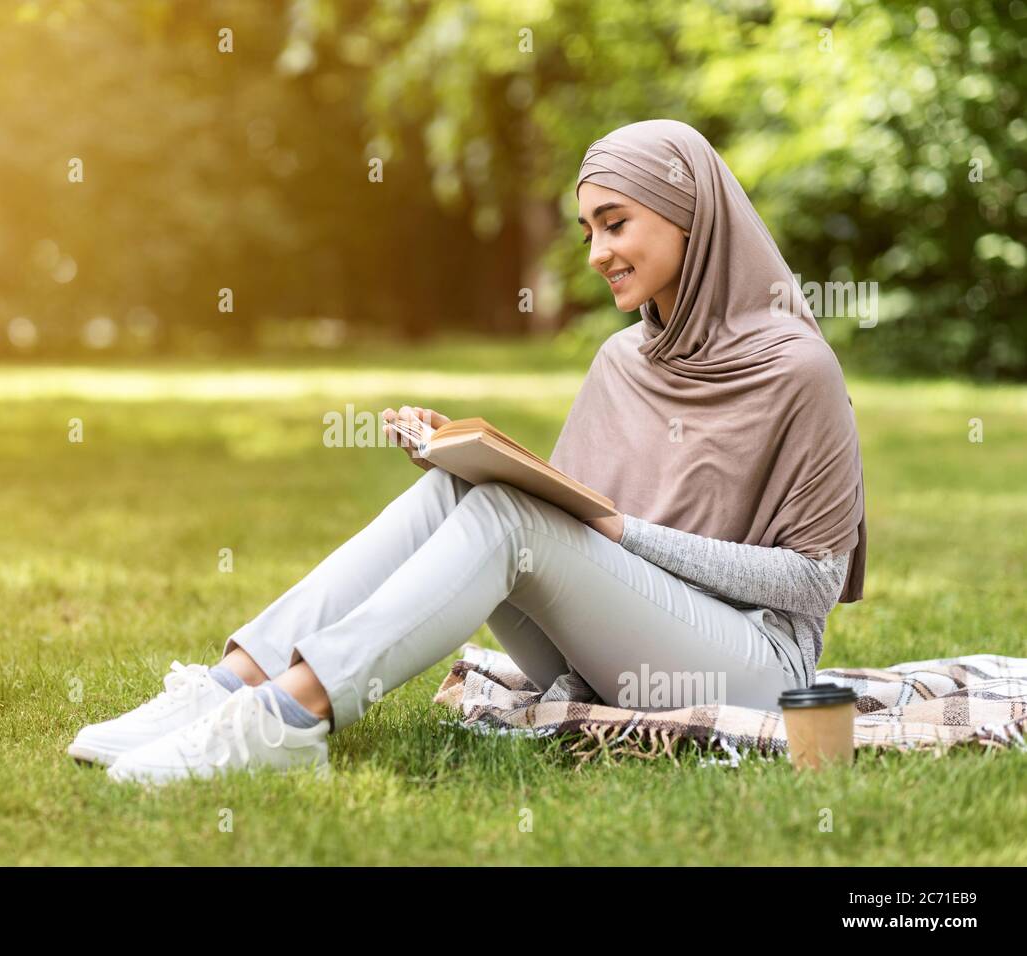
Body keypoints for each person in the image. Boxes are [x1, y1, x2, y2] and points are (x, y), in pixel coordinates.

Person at [67, 118, 867, 787]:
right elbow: (568, 516)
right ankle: (226, 688)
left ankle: (289, 717)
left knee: (511, 520)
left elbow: (811, 581)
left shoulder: (798, 368)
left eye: (616, 223)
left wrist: (629, 533)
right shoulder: (623, 359)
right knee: (463, 498)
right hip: (620, 647)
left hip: (759, 670)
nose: (596, 253)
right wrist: (462, 458)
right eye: (588, 230)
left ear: (691, 212)